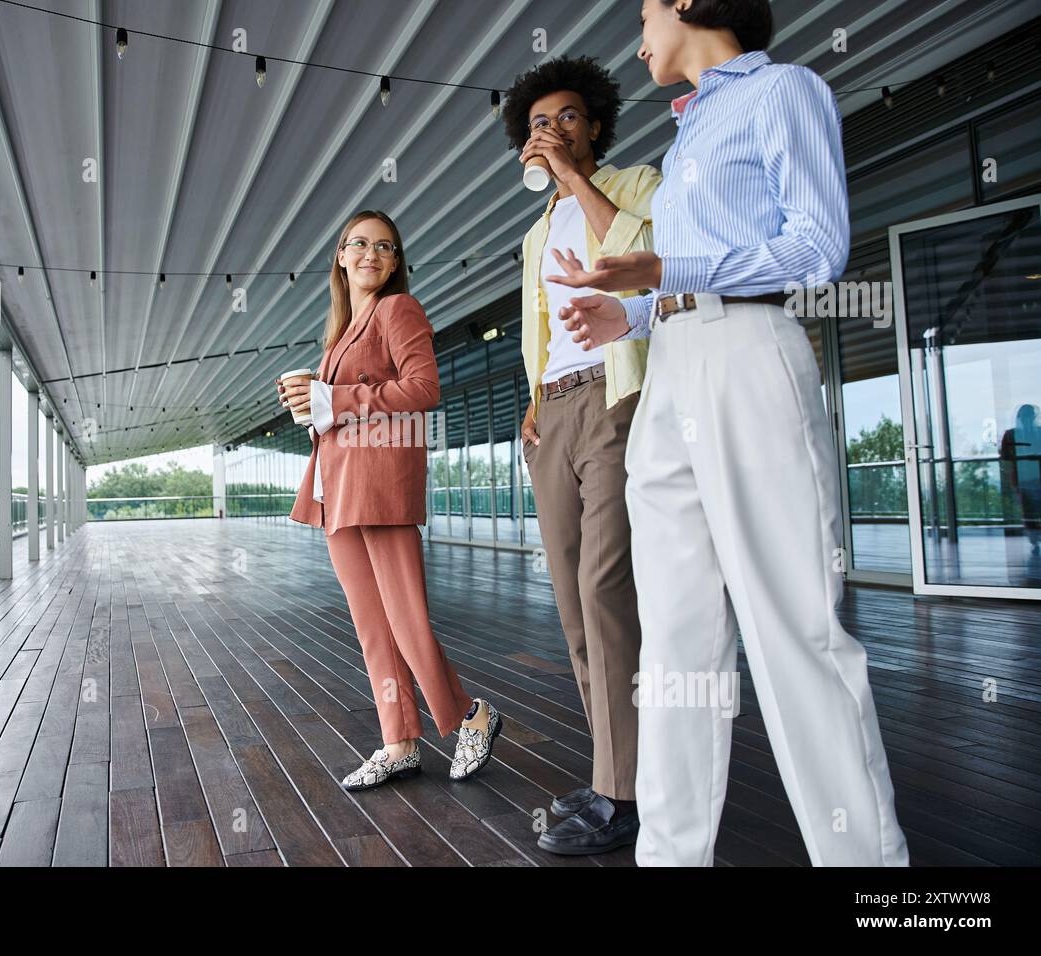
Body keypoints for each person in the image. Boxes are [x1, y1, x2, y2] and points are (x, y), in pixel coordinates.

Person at [548, 0, 909, 866]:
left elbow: (818, 249)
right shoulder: (687, 136)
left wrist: (672, 268)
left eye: (643, 13)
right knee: (675, 641)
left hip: (749, 354)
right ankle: (670, 856)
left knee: (794, 629)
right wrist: (627, 312)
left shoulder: (786, 90)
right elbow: (681, 277)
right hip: (671, 363)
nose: (636, 39)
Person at [277, 210, 502, 791]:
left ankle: (470, 717)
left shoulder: (398, 310)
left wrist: (333, 398)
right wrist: (312, 406)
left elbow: (423, 389)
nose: (371, 253)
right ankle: (398, 740)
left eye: (385, 246)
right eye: (359, 243)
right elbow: (340, 407)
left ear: (396, 261)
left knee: (406, 622)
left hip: (381, 487)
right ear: (341, 255)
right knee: (373, 626)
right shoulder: (339, 330)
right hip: (339, 490)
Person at [502, 55, 661, 855]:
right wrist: (532, 405)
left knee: (605, 585)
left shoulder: (633, 184)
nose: (552, 131)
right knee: (570, 599)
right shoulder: (534, 234)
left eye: (566, 118)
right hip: (555, 413)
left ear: (594, 123)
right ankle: (614, 772)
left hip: (615, 396)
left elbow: (642, 250)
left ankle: (626, 790)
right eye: (537, 124)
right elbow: (541, 324)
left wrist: (573, 179)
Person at [1000, 403, 1041, 554]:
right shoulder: (1011, 435)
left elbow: (1005, 456)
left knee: (1030, 510)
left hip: (1031, 479)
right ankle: (1034, 540)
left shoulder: (1013, 434)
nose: (1028, 419)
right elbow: (1005, 456)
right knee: (1029, 511)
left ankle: (1034, 540)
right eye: (1026, 416)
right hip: (1023, 480)